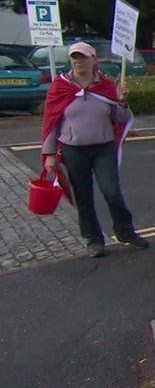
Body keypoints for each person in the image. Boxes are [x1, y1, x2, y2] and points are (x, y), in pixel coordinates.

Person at [40, 41, 149, 257]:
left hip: (103, 148)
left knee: (111, 191)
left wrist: (121, 102)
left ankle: (125, 231)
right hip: (73, 150)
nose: (79, 61)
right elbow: (51, 121)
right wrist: (50, 154)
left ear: (94, 60)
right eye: (75, 57)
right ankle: (93, 239)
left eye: (83, 57)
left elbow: (119, 119)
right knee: (83, 196)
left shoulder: (106, 86)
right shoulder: (60, 86)